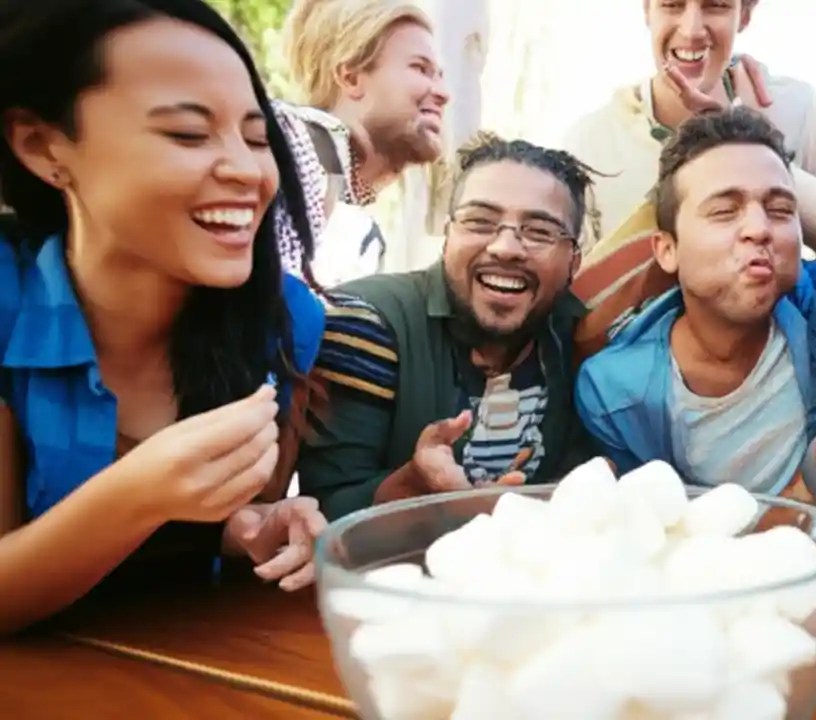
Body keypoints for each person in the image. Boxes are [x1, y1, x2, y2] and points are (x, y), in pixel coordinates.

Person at [0, 0, 328, 634]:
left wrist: (248, 529)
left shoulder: (285, 320)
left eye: (256, 137)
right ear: (42, 147)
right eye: (187, 133)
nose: (247, 170)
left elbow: (210, 546)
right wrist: (139, 494)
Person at [576, 107, 816, 532]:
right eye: (725, 211)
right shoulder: (612, 391)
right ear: (667, 250)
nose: (759, 229)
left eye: (780, 209)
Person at [298, 135, 597, 520]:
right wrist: (413, 487)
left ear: (573, 261)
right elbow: (321, 513)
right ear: (447, 236)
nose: (505, 247)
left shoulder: (580, 337)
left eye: (539, 231)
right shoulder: (368, 323)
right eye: (480, 222)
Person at [566, 0, 816, 360]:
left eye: (716, 6)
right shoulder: (593, 144)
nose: (692, 29)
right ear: (646, 9)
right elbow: (567, 314)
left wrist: (757, 147)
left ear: (745, 14)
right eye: (672, 5)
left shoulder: (795, 110)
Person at [273, 0, 451, 282]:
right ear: (351, 78)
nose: (443, 93)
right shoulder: (282, 152)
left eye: (440, 76)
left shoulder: (351, 212)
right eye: (420, 68)